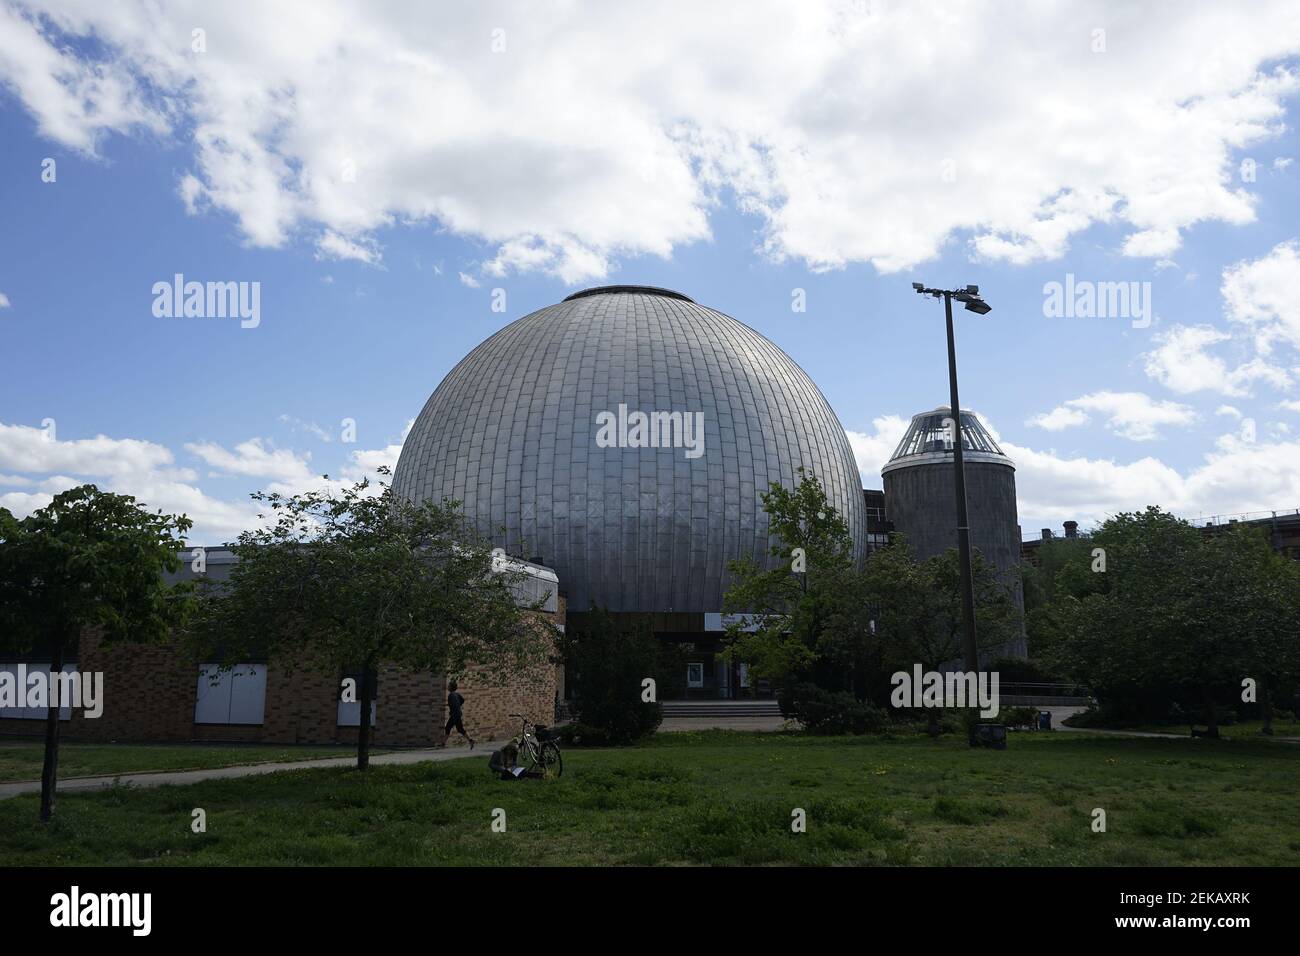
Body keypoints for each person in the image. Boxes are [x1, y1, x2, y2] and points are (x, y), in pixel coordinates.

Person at [443, 679, 475, 749]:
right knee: (460, 729)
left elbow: (453, 704)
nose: (447, 687)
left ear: (451, 687)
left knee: (447, 727)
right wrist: (457, 705)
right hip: (458, 714)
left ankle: (443, 744)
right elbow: (462, 700)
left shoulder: (450, 695)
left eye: (449, 686)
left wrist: (450, 705)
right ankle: (470, 740)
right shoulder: (457, 694)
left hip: (454, 715)